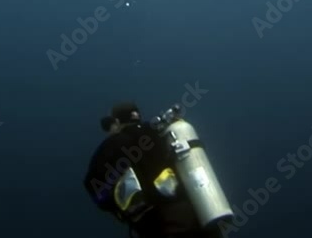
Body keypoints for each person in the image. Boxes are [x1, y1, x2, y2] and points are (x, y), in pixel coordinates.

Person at [83, 102, 226, 238]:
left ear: (116, 122)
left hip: (161, 226)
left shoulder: (113, 145)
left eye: (108, 125)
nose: (108, 130)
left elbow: (93, 185)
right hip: (201, 216)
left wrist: (120, 210)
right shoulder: (160, 134)